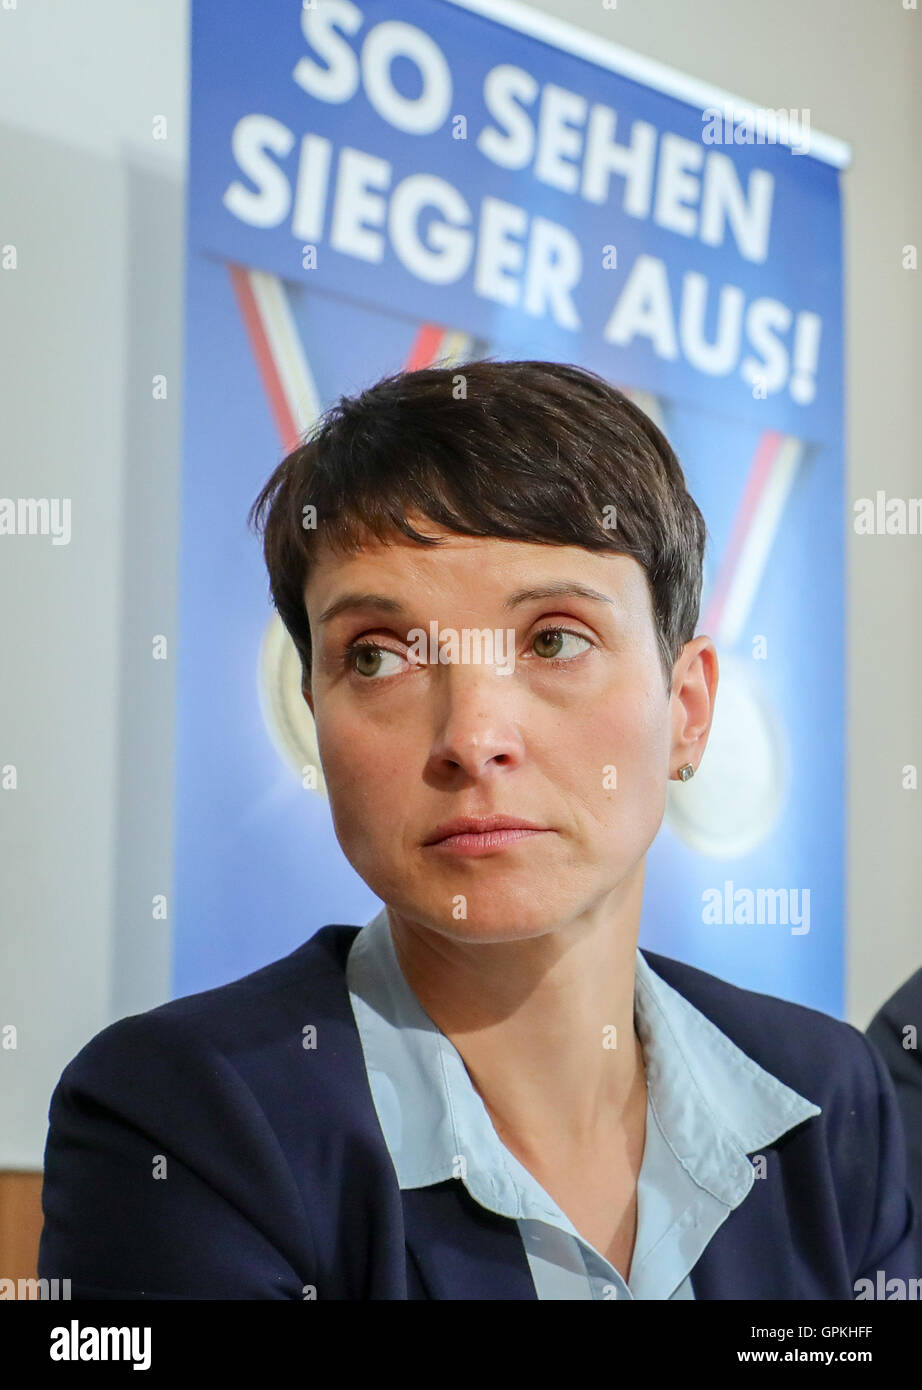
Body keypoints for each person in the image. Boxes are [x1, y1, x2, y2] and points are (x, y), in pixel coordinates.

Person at [38, 359, 918, 1299]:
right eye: (378, 658)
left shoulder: (828, 1099)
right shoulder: (182, 1118)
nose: (471, 738)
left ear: (688, 709)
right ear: (314, 716)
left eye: (554, 639)